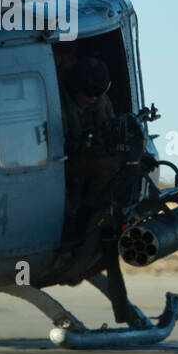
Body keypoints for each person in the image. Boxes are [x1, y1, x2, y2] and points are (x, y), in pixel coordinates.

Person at [61, 56, 120, 238]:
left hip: (87, 157)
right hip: (64, 164)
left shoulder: (102, 104)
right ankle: (82, 217)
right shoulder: (60, 106)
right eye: (88, 92)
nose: (93, 98)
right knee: (111, 166)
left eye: (99, 92)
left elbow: (110, 128)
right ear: (75, 87)